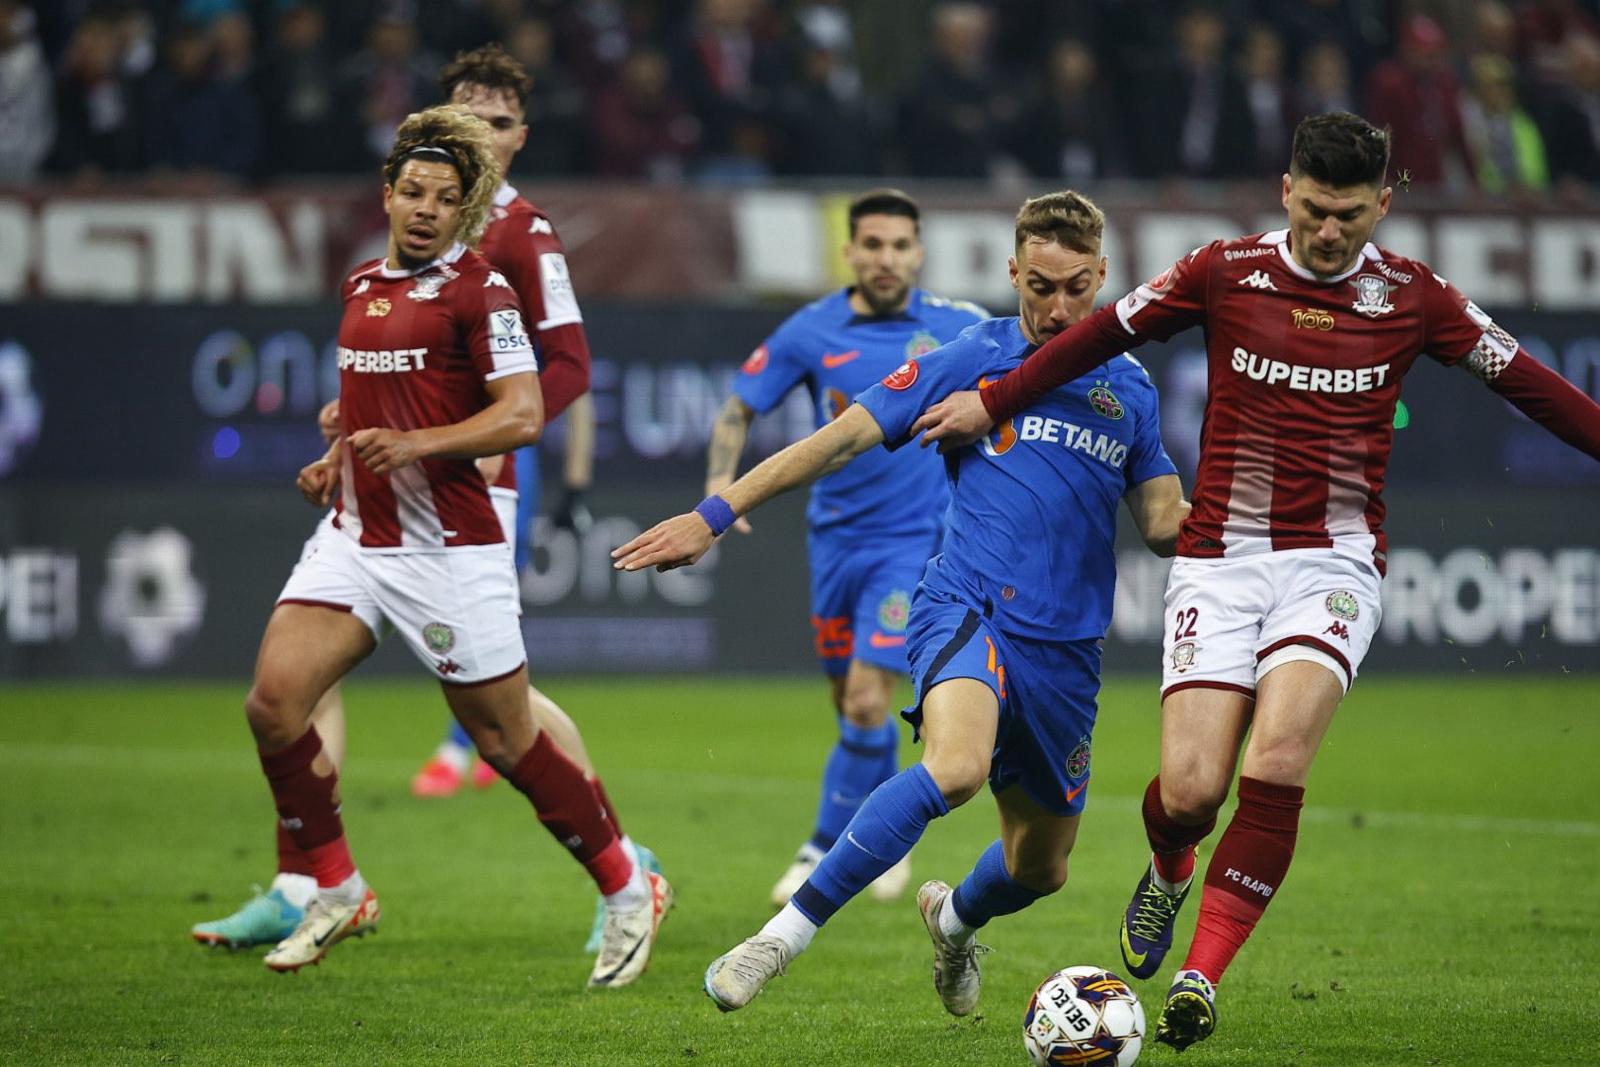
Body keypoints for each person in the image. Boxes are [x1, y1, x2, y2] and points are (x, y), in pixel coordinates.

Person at [912, 111, 1600, 1050]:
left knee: (1274, 764)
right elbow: (1096, 337)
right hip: (1221, 559)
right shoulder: (1223, 271)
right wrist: (992, 399)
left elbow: (1531, 383)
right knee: (1192, 792)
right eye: (1314, 209)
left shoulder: (1417, 297)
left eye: (1349, 215)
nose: (1329, 231)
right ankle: (1170, 866)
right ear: (1287, 192)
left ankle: (1199, 976)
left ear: (1382, 205)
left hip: (1334, 563)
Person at [616, 191, 1187, 1015]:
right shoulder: (974, 354)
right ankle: (777, 938)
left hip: (1065, 651)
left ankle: (953, 922)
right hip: (967, 604)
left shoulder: (1129, 387)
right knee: (954, 767)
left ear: (1102, 276)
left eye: (1074, 288)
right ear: (1013, 273)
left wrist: (1251, 517)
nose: (1057, 309)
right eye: (1039, 287)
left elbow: (1163, 523)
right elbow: (838, 438)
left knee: (1041, 867)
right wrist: (713, 512)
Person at [194, 47, 648, 962]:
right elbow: (375, 397)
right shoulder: (362, 284)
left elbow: (534, 401)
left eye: (445, 196)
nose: (427, 207)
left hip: (450, 535)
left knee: (506, 737)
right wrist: (338, 453)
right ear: (390, 192)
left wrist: (431, 442)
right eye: (412, 192)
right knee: (275, 702)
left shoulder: (495, 275)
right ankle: (330, 885)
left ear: (474, 191)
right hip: (358, 531)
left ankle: (627, 879)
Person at [704, 187, 988, 908]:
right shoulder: (811, 329)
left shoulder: (960, 325)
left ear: (919, 253)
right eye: (873, 245)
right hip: (834, 542)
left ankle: (822, 844)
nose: (887, 258)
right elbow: (737, 408)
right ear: (849, 252)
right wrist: (717, 483)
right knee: (849, 702)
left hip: (916, 544)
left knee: (867, 699)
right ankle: (890, 832)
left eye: (900, 245)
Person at [412, 43, 600, 801]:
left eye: (500, 122)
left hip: (478, 472)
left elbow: (572, 365)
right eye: (469, 117)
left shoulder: (523, 232)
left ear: (520, 137)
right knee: (296, 668)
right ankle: (310, 860)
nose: (484, 134)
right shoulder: (418, 215)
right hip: (397, 464)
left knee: (486, 654)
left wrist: (500, 432)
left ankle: (610, 845)